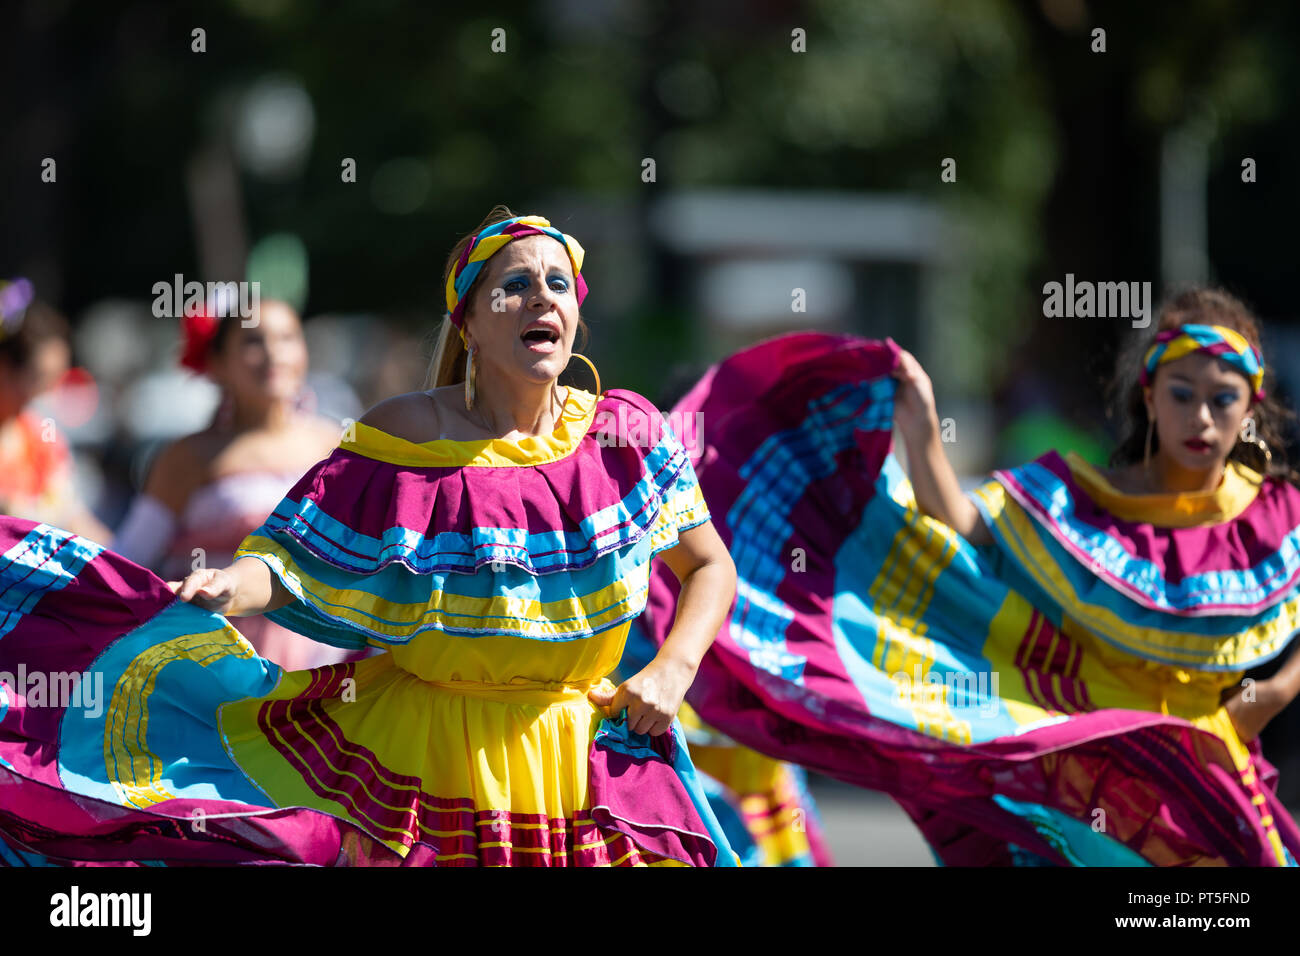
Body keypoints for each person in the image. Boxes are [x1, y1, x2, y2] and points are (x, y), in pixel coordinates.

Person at [0, 208, 740, 867]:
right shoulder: (402, 432)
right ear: (469, 323)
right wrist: (231, 583)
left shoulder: (626, 431)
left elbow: (710, 566)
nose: (542, 295)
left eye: (557, 282)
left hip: (581, 755)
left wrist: (673, 668)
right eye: (513, 285)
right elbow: (290, 558)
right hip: (428, 751)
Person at [633, 292, 1300, 866]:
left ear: (1252, 408)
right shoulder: (1080, 501)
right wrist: (921, 422)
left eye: (1223, 398)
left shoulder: (1275, 514)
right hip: (1090, 762)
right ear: (1149, 395)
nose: (1202, 416)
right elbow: (959, 522)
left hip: (1215, 765)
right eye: (1183, 393)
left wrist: (1272, 691)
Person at [110, 298, 355, 671]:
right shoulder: (188, 457)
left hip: (322, 666)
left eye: (287, 337)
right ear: (219, 362)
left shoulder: (337, 446)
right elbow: (131, 558)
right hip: (209, 664)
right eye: (253, 341)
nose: (274, 353)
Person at [0, 278, 111, 543]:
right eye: (37, 378)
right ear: (3, 367)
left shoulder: (42, 439)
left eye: (55, 379)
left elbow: (73, 518)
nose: (46, 393)